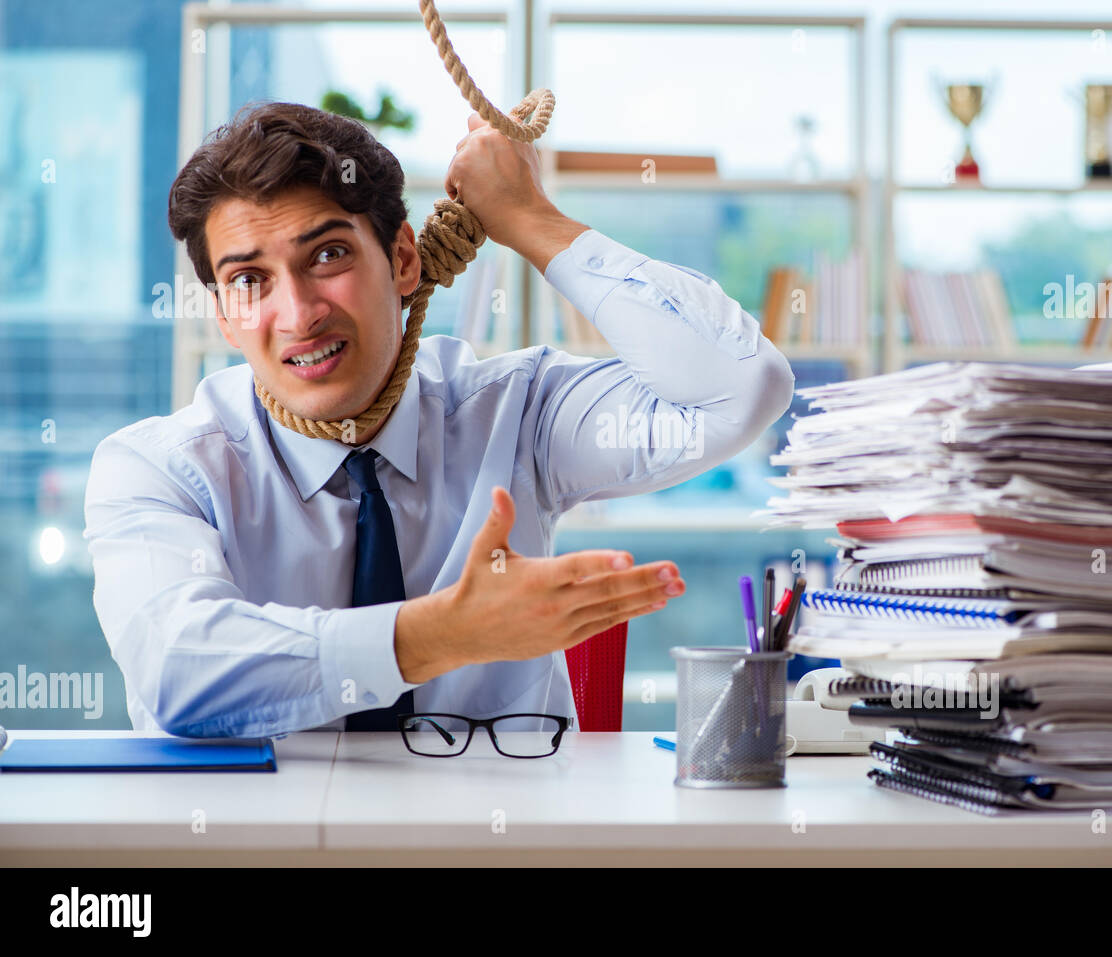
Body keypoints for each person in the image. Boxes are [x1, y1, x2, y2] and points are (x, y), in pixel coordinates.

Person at [83, 101, 795, 738]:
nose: (298, 314)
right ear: (225, 318)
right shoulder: (161, 468)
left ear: (401, 260)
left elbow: (740, 387)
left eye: (328, 254)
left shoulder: (515, 415)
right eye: (250, 280)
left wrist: (530, 219)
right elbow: (177, 669)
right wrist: (437, 636)